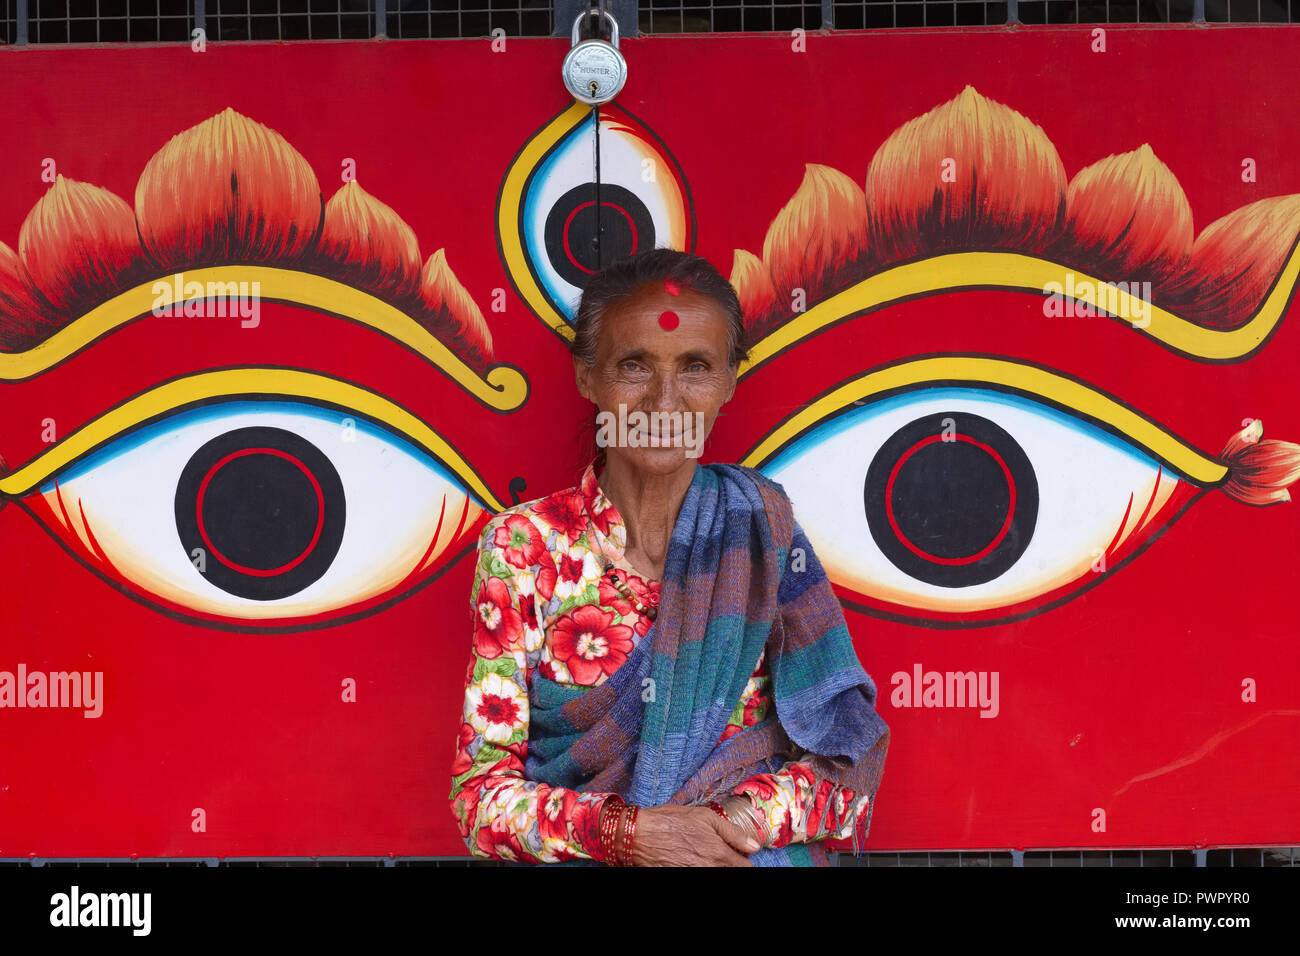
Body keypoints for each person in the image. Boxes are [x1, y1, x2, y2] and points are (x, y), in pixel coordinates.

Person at [448, 247, 890, 866]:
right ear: (588, 377)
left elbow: (846, 758)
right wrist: (630, 834)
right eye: (634, 366)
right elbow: (480, 801)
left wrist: (722, 824)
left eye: (695, 367)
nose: (664, 402)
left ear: (729, 381)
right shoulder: (525, 547)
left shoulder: (761, 528)